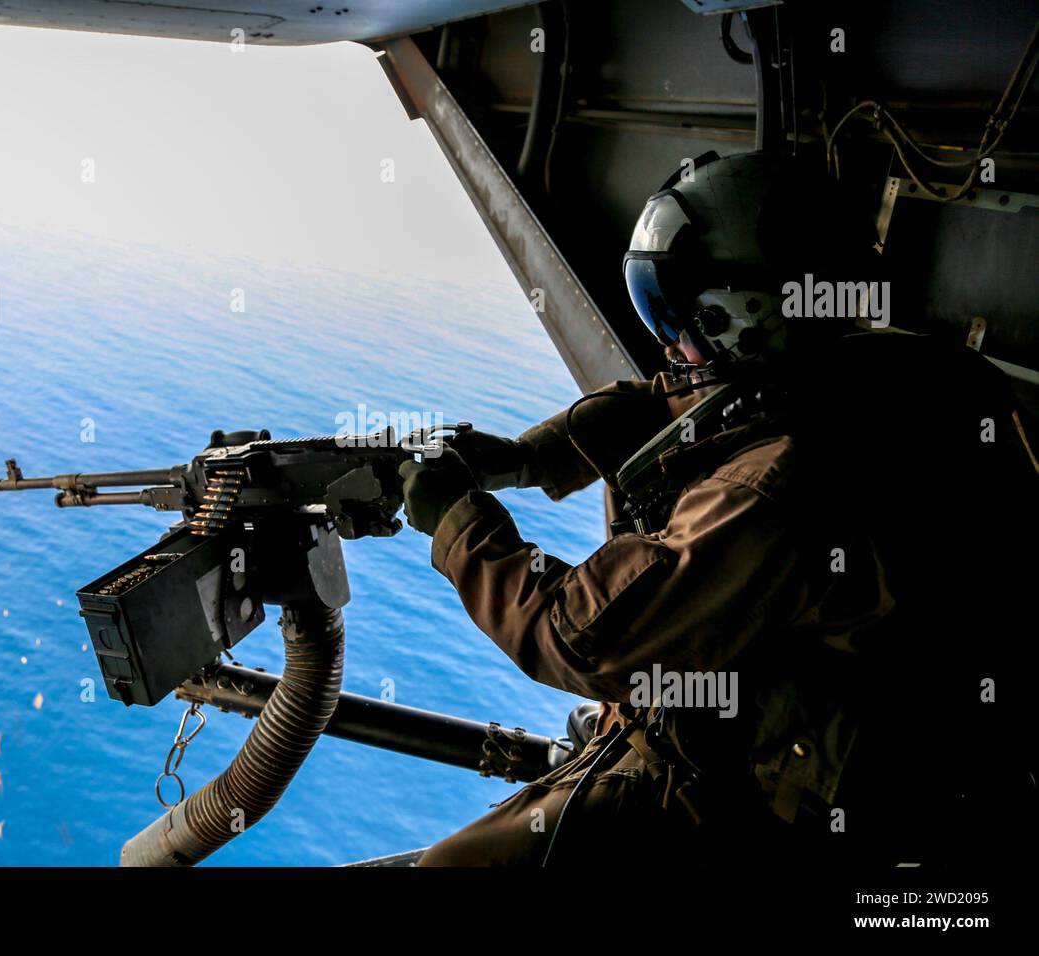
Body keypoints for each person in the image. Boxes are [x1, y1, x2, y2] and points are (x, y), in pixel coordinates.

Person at [399, 150, 1037, 866]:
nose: (669, 341)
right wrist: (527, 458)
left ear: (748, 315)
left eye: (678, 314)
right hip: (919, 746)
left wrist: (459, 523)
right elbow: (672, 398)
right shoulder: (898, 367)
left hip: (783, 805)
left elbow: (576, 638)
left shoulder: (771, 491)